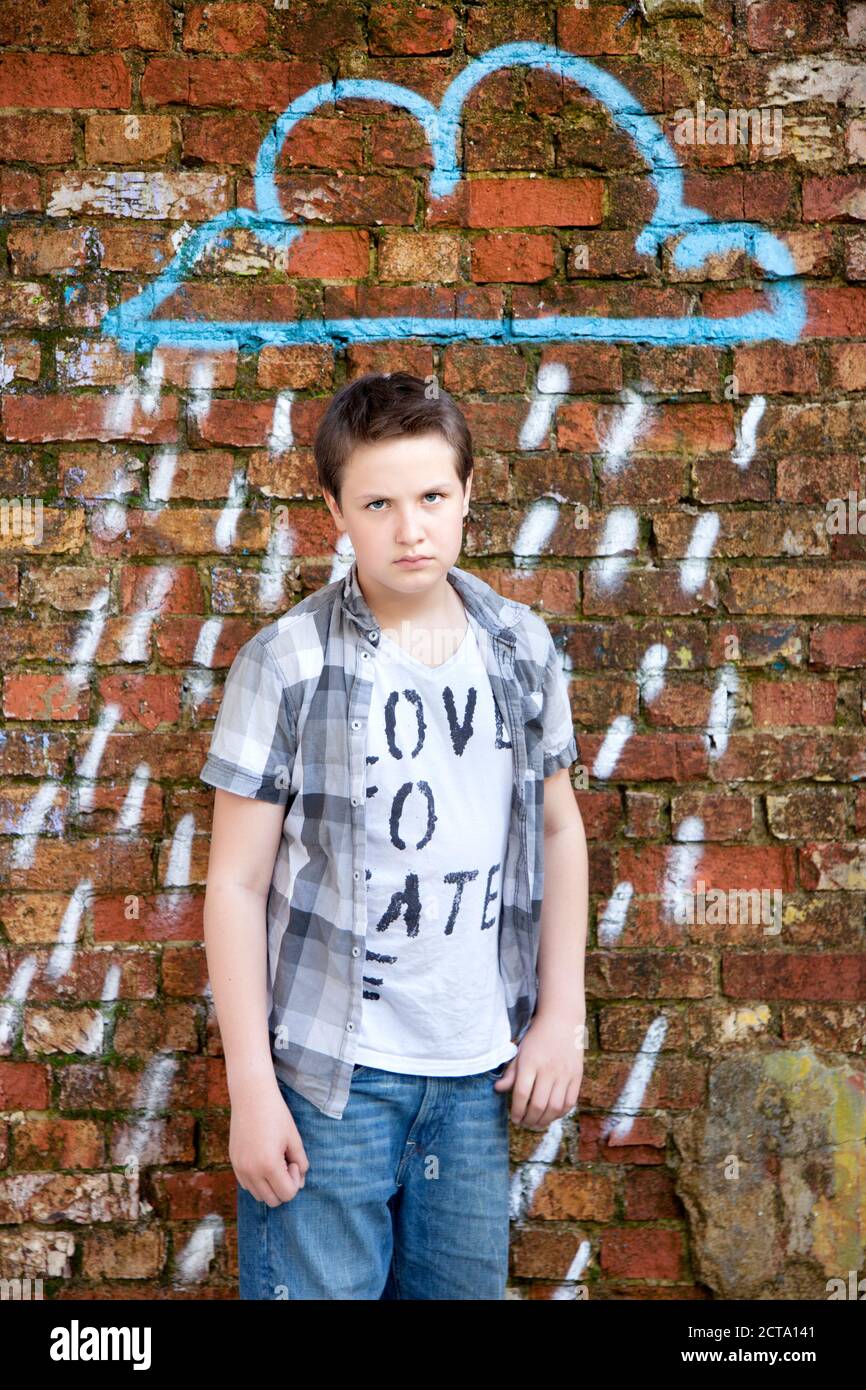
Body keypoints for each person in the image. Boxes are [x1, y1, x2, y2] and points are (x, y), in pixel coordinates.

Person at [200, 370, 588, 1299]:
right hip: (332, 1080)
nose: (409, 529)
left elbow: (560, 829)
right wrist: (251, 1088)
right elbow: (236, 885)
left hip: (474, 1074)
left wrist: (561, 1017)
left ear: (467, 499)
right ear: (334, 508)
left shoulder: (520, 647)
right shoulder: (287, 661)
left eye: (431, 498)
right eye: (378, 502)